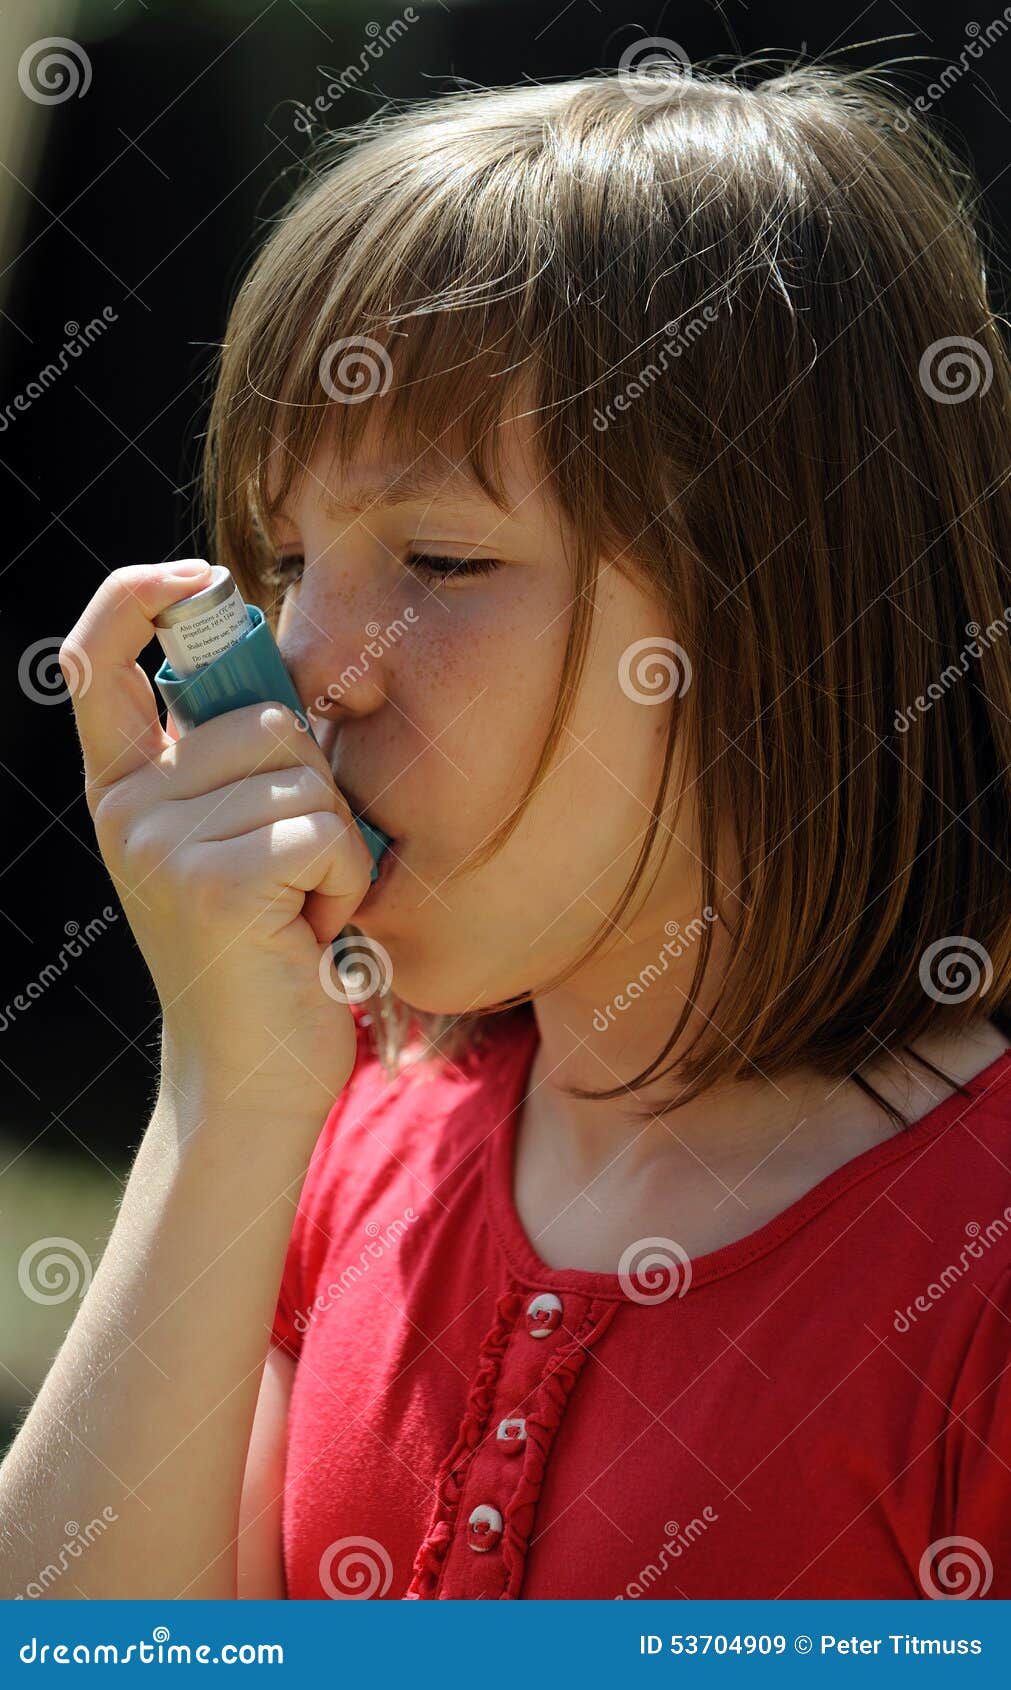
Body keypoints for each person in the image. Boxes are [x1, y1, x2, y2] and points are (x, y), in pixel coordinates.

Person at [2, 61, 1010, 1602]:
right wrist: (227, 1104)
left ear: (781, 612)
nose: (313, 664)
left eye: (445, 559)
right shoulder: (334, 1161)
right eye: (282, 556)